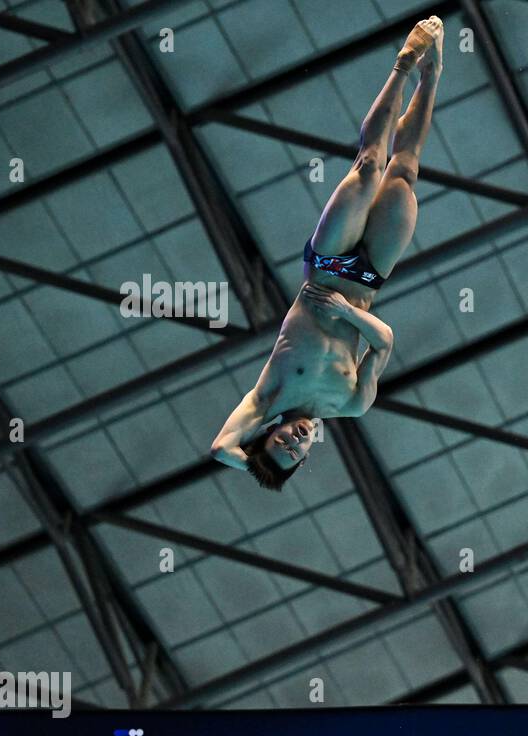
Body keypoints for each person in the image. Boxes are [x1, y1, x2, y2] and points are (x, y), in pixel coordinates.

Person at [210, 16, 444, 490]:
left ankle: (403, 65)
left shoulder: (267, 398)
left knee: (370, 164)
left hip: (327, 264)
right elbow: (384, 341)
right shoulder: (351, 404)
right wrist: (346, 312)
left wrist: (256, 462)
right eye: (295, 453)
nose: (294, 442)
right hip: (366, 281)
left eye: (281, 443)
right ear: (307, 456)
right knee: (404, 174)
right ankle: (431, 74)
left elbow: (220, 450)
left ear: (268, 433)